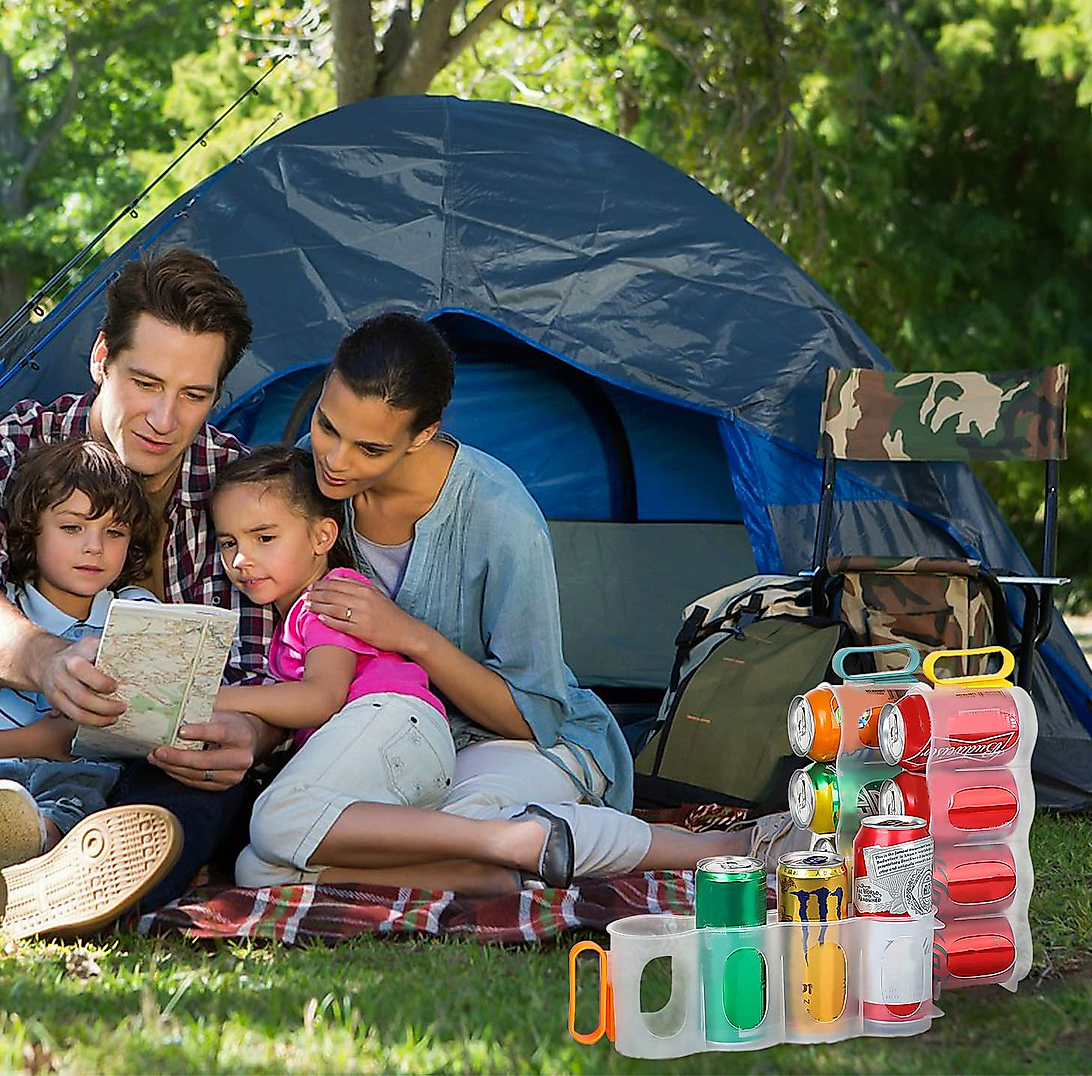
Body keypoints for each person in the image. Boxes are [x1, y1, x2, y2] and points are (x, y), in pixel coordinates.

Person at [249, 313, 810, 892]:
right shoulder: (307, 485)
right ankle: (485, 875)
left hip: (512, 742)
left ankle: (720, 847)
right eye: (326, 425)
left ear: (423, 434)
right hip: (390, 740)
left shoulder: (499, 515)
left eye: (369, 447)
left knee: (452, 821)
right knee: (265, 850)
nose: (335, 460)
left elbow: (530, 716)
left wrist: (412, 637)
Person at [0, 247, 281, 934]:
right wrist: (43, 658)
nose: (163, 420)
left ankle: (74, 880)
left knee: (190, 798)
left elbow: (274, 664)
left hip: (166, 766)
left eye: (194, 395)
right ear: (102, 358)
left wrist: (254, 729)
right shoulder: (20, 450)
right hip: (20, 742)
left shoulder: (239, 489)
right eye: (145, 383)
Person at [207, 446, 461, 887]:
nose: (241, 560)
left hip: (394, 722)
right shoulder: (289, 624)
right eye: (230, 542)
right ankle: (471, 874)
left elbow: (320, 699)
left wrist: (209, 697)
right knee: (255, 867)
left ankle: (508, 838)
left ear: (322, 537)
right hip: (385, 756)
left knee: (275, 818)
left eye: (264, 538)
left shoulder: (330, 595)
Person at [0, 440, 182, 935]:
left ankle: (42, 853)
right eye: (72, 527)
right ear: (30, 532)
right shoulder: (12, 612)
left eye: (113, 532)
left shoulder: (137, 615)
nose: (94, 547)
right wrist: (42, 740)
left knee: (81, 792)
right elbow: (49, 738)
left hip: (84, 771)